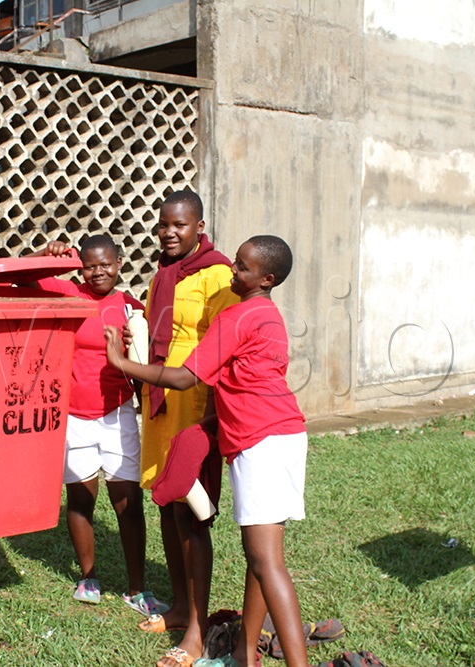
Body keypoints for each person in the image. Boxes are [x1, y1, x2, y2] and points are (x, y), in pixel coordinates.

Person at [104, 235, 309, 667]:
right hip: (285, 435)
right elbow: (248, 380)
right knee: (262, 558)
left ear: (267, 278)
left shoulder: (238, 316)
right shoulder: (269, 316)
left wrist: (122, 364)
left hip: (261, 442)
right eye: (236, 261)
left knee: (267, 563)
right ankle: (245, 653)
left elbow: (183, 378)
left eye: (243, 268)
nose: (232, 271)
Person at [28, 235, 169, 617]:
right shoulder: (67, 296)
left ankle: (137, 588)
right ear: (81, 267)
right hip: (73, 416)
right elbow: (20, 281)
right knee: (80, 500)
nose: (98, 271)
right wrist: (44, 254)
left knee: (128, 504)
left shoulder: (128, 308)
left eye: (106, 264)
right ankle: (88, 577)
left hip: (117, 416)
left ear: (119, 263)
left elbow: (152, 349)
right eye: (90, 265)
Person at [133, 189, 238, 667]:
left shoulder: (218, 275)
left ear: (199, 226)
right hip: (160, 402)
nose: (169, 233)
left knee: (192, 514)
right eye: (163, 225)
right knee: (165, 503)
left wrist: (215, 419)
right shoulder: (163, 274)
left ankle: (197, 630)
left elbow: (225, 349)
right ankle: (179, 606)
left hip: (193, 403)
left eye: (179, 225)